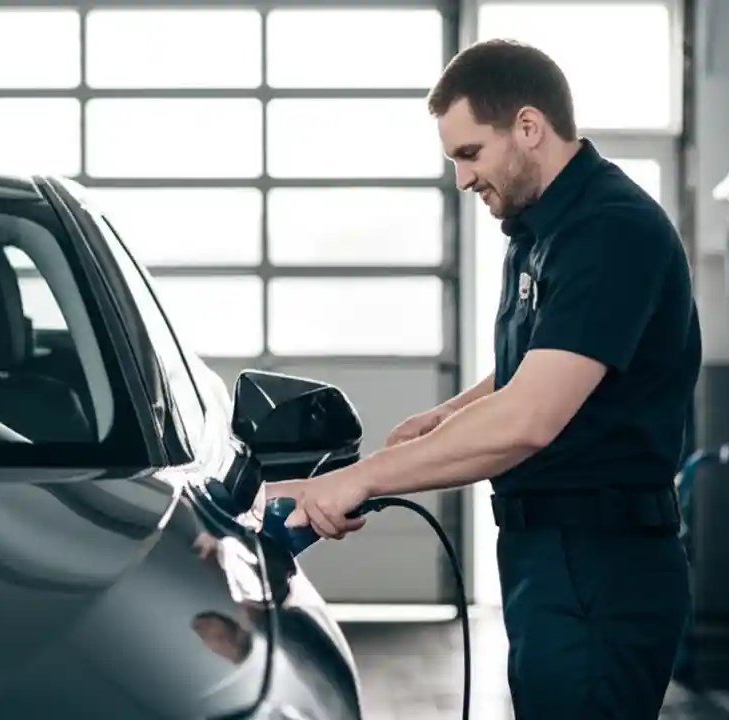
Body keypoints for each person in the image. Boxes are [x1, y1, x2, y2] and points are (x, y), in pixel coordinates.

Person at [264, 37, 702, 720]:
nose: (463, 180)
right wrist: (449, 416)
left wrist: (365, 476)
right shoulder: (540, 230)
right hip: (549, 559)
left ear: (529, 127)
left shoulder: (610, 233)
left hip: (600, 568)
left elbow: (530, 416)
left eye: (470, 154)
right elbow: (547, 360)